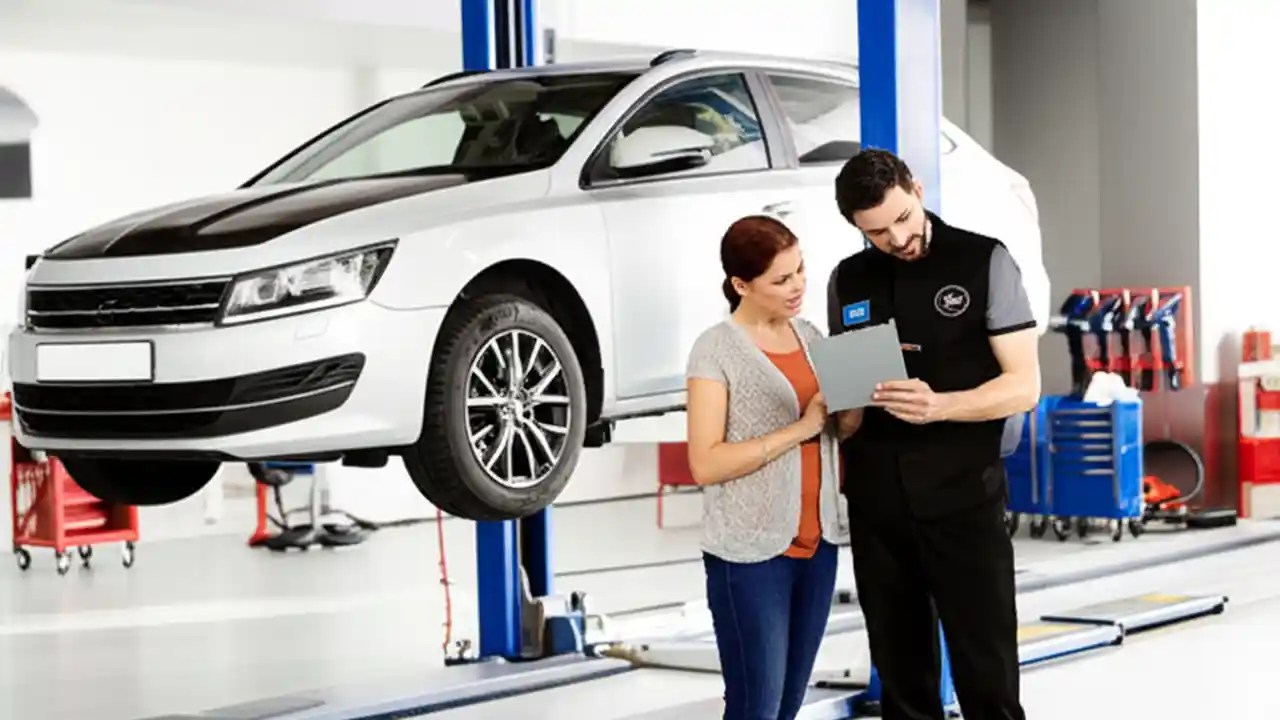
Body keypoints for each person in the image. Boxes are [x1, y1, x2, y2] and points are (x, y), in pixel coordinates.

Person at [826, 149, 1040, 720]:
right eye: (876, 231)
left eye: (901, 218)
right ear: (855, 226)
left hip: (964, 495)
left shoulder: (983, 261)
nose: (896, 238)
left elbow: (1024, 386)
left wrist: (940, 405)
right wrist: (830, 405)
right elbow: (848, 408)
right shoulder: (850, 278)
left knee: (986, 672)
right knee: (900, 675)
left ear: (916, 190)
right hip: (879, 503)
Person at [685, 215, 855, 720]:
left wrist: (856, 402)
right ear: (741, 285)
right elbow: (706, 462)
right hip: (749, 556)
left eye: (801, 270)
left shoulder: (811, 335)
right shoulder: (715, 349)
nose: (798, 286)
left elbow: (837, 430)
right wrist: (799, 429)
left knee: (787, 707)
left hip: (818, 543)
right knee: (755, 708)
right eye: (781, 279)